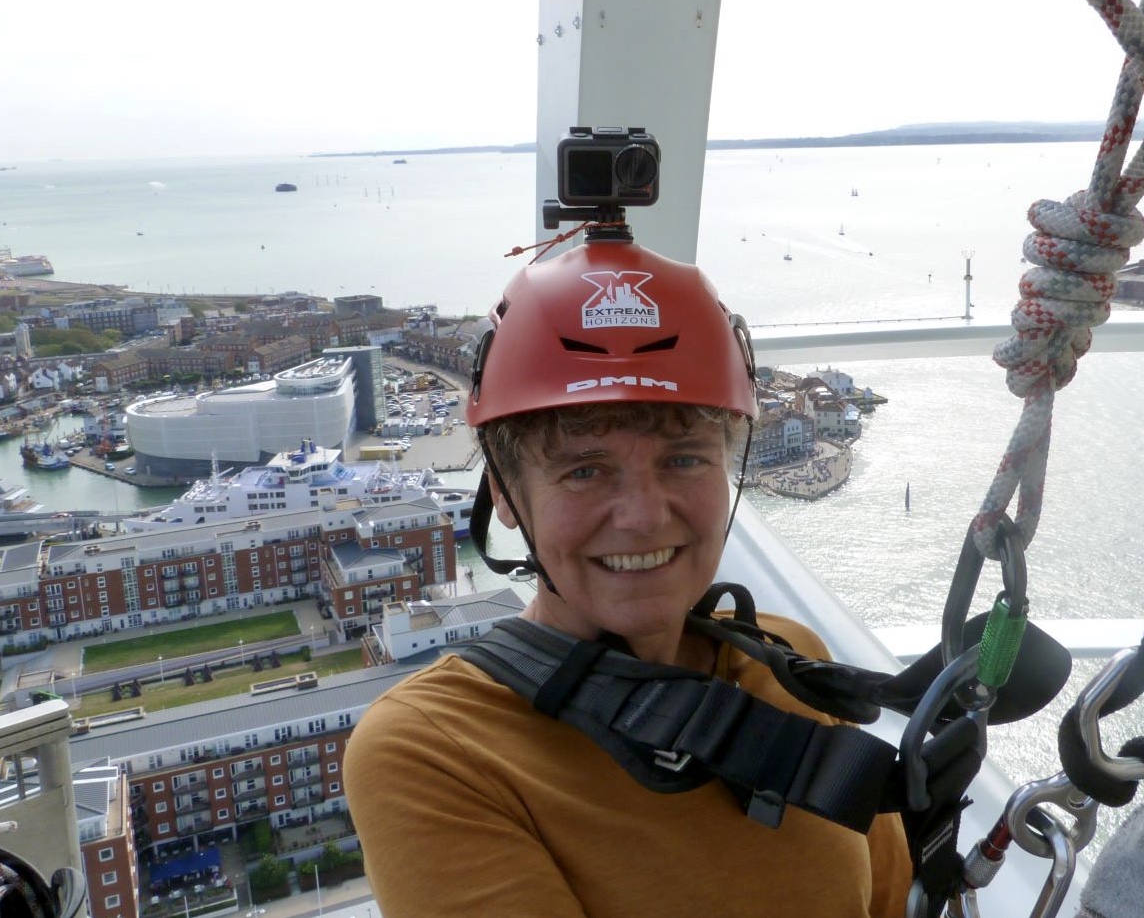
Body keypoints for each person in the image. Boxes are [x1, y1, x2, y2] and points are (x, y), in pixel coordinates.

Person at [344, 231, 912, 918]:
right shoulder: (432, 750)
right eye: (584, 470)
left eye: (684, 459)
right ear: (504, 493)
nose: (644, 517)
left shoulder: (786, 659)